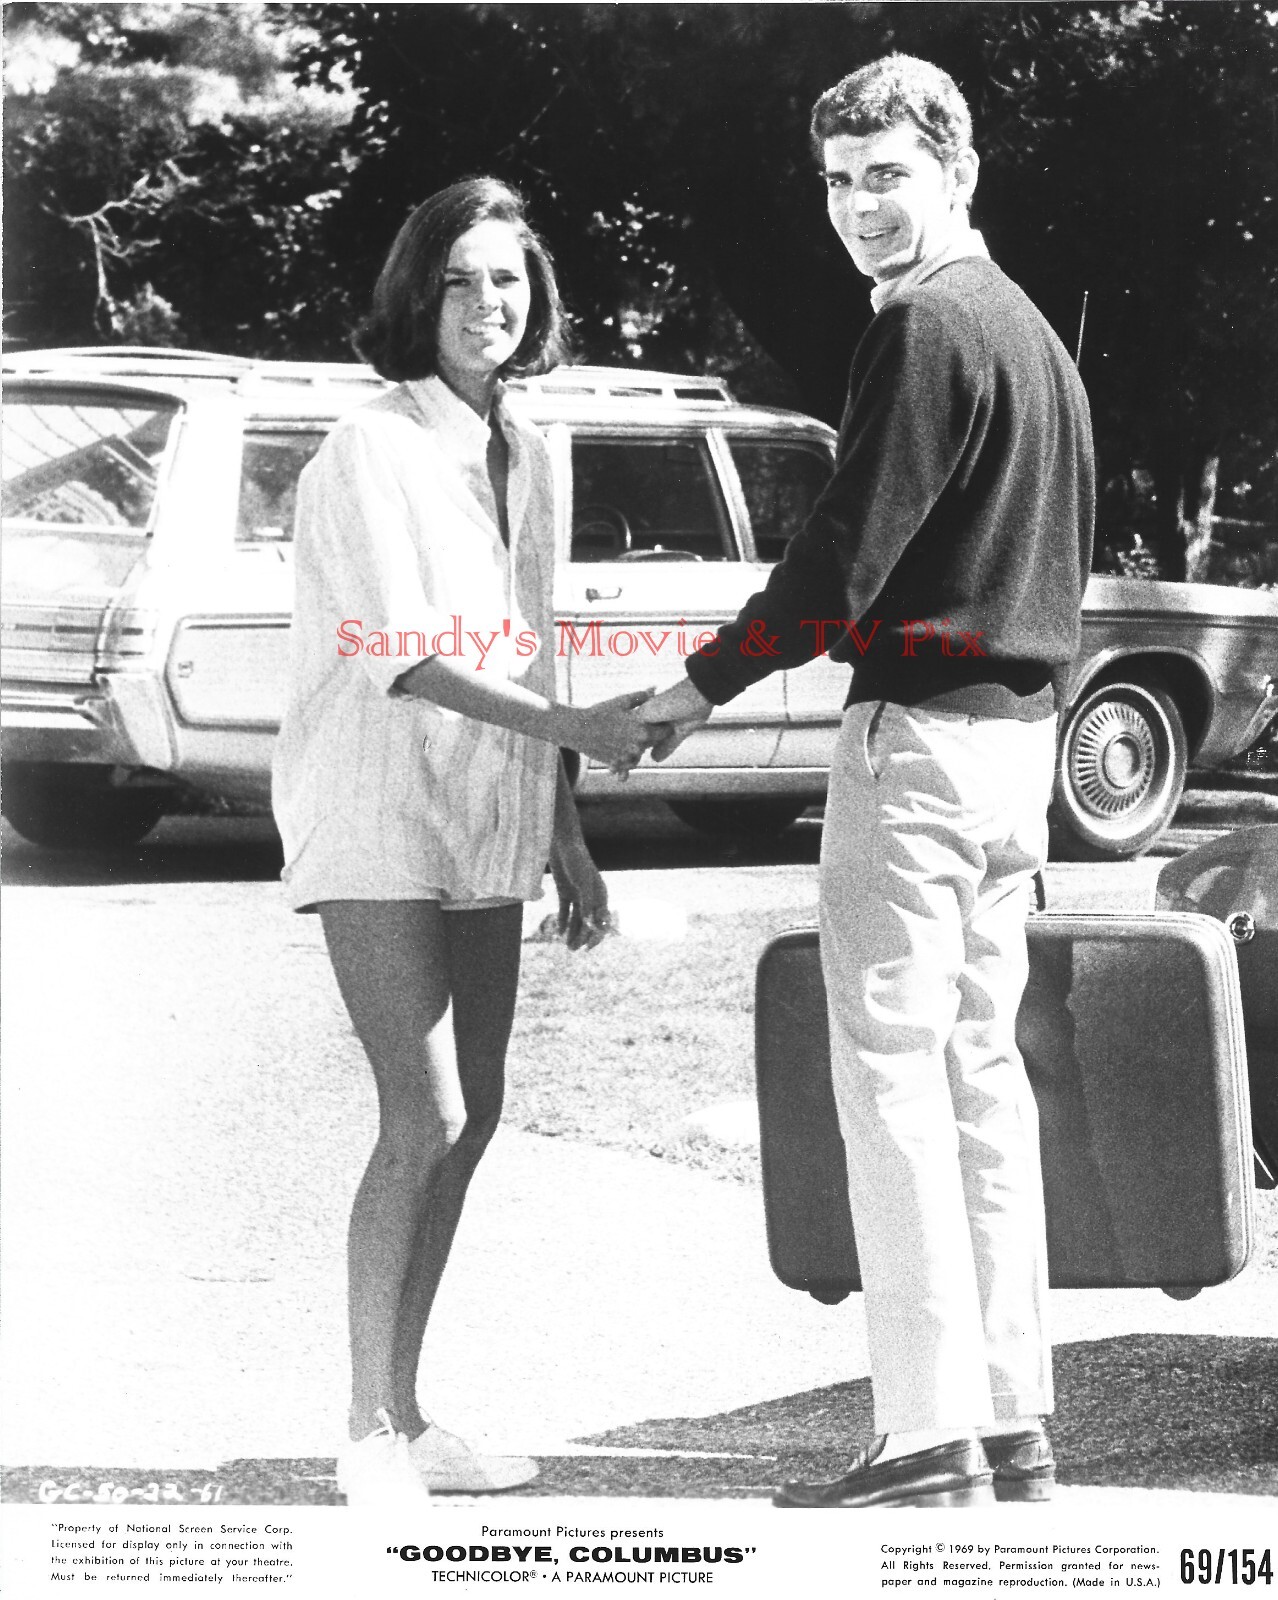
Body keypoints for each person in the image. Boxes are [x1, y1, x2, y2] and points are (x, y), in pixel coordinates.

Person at [640, 55, 1094, 1508]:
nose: (856, 210)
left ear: (956, 173)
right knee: (977, 1078)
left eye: (884, 175)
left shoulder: (926, 330)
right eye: (836, 182)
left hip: (918, 746)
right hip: (1015, 752)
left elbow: (843, 561)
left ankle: (920, 1434)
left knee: (892, 1081)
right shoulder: (1027, 335)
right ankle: (1010, 1415)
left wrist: (690, 686)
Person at [271, 177, 655, 1507]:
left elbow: (534, 632)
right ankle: (366, 1431)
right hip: (376, 794)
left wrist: (567, 828)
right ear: (412, 295)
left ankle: (411, 1413)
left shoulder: (531, 446)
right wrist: (579, 725)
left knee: (474, 1112)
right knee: (420, 1108)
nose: (489, 307)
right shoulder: (368, 447)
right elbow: (407, 657)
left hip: (492, 806)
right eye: (460, 282)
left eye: (508, 281)